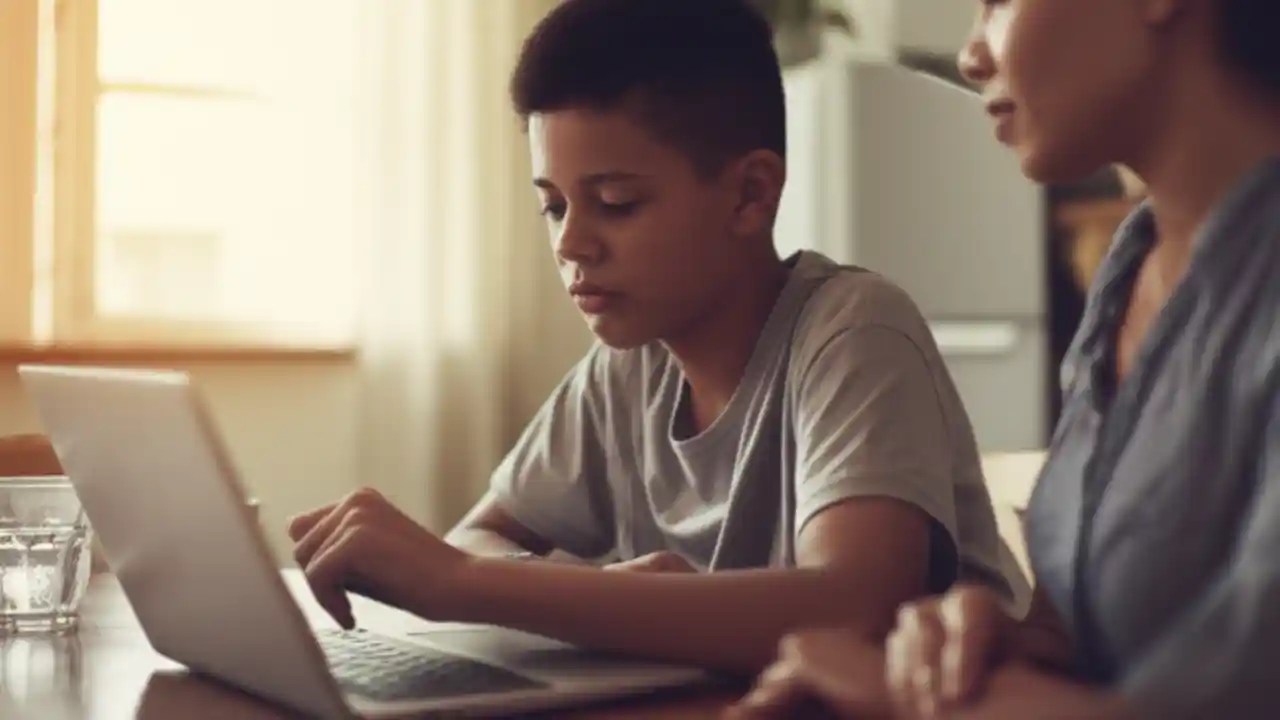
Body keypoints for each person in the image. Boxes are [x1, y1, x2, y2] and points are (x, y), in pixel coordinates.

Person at [285, 0, 1015, 673]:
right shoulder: (625, 369)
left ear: (751, 194)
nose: (571, 243)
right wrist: (585, 588)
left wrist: (465, 584)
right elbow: (484, 534)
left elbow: (851, 609)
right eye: (554, 206)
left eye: (615, 203)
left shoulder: (853, 331)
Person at [729, 0, 1280, 716]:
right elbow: (1108, 633)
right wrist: (1009, 647)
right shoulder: (1130, 266)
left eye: (998, 2)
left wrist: (908, 698)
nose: (971, 57)